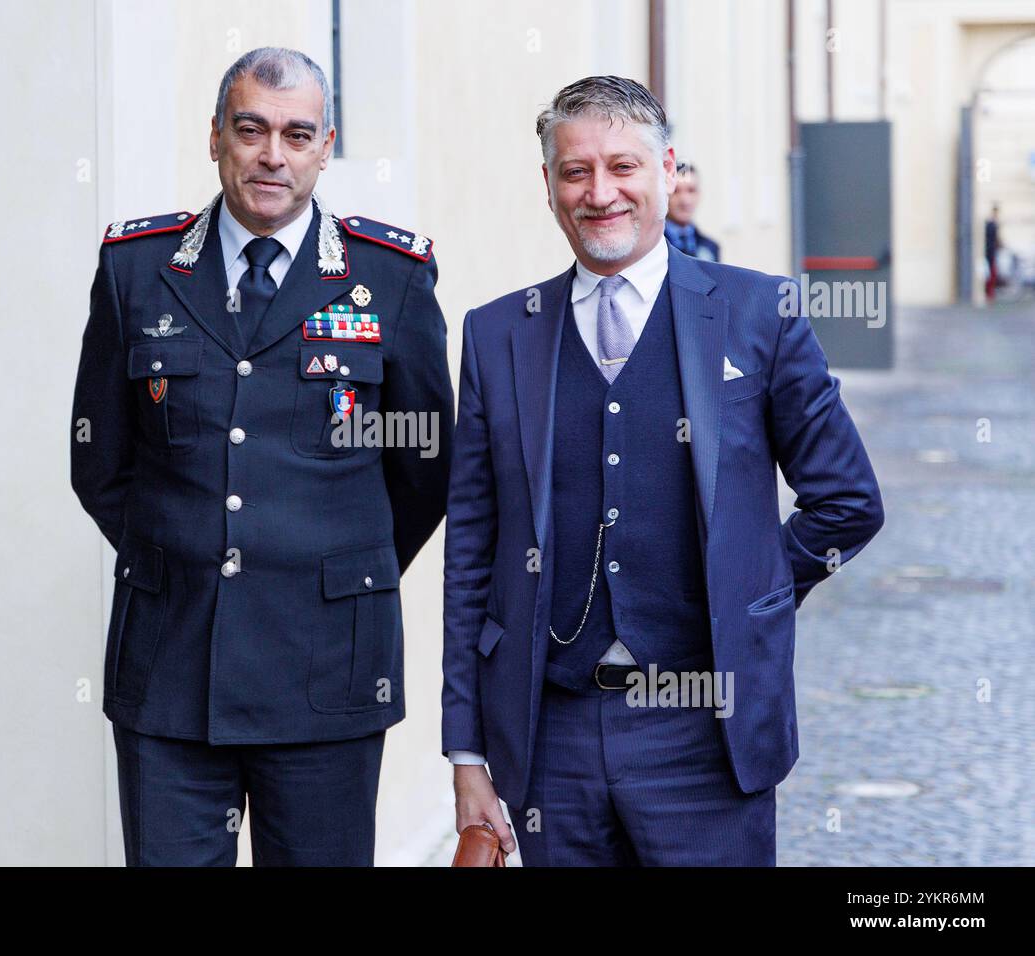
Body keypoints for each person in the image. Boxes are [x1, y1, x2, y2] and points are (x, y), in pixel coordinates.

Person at [441, 75, 884, 865]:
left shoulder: (759, 315)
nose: (599, 192)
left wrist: (749, 588)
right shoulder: (498, 334)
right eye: (576, 171)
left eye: (623, 167)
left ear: (668, 172)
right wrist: (467, 752)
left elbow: (847, 503)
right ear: (548, 186)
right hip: (552, 740)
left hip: (705, 734)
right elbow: (471, 554)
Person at [70, 47, 453, 866]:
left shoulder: (391, 278)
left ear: (325, 145)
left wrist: (335, 571)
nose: (272, 155)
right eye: (251, 130)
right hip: (170, 667)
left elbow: (424, 470)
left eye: (296, 134)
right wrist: (183, 555)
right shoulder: (137, 269)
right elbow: (99, 459)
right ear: (215, 138)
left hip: (329, 674)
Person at [663, 160, 720, 261]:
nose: (685, 200)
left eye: (691, 190)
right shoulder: (652, 246)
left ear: (699, 194)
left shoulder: (711, 247)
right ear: (665, 195)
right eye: (676, 191)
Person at [984, 203, 1002, 301]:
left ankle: (990, 293)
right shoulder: (991, 223)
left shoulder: (992, 223)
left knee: (992, 273)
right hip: (990, 250)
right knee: (991, 272)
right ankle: (989, 293)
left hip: (991, 250)